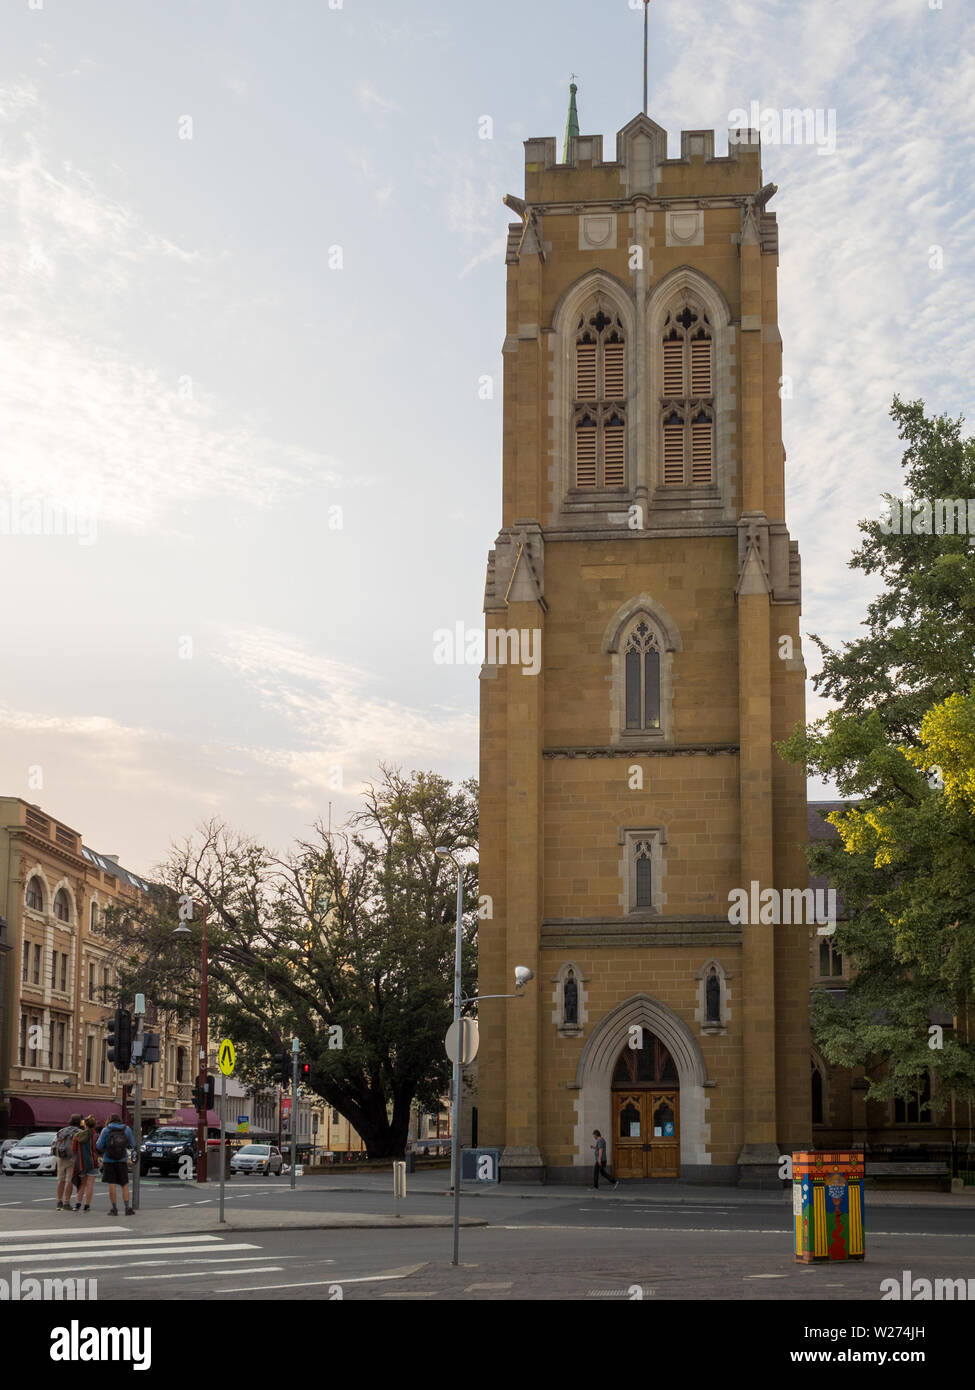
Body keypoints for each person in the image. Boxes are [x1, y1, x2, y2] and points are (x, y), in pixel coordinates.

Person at [96, 1113, 136, 1215]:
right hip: (122, 1160)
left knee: (112, 1184)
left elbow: (99, 1146)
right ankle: (127, 1208)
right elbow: (133, 1144)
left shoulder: (106, 1130)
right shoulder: (126, 1129)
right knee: (124, 1184)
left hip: (109, 1160)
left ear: (109, 1120)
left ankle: (114, 1209)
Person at [53, 1113, 83, 1210]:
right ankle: (67, 1202)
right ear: (79, 1122)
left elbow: (55, 1142)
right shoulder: (79, 1132)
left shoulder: (62, 1130)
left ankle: (59, 1201)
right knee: (69, 1180)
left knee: (60, 1180)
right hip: (72, 1157)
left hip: (61, 1157)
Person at [71, 1116, 99, 1212]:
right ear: (94, 1125)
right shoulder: (96, 1136)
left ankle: (77, 1204)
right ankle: (87, 1205)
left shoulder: (77, 1136)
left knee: (82, 1184)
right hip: (93, 1162)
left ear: (85, 1124)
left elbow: (74, 1149)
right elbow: (99, 1148)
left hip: (81, 1163)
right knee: (90, 1184)